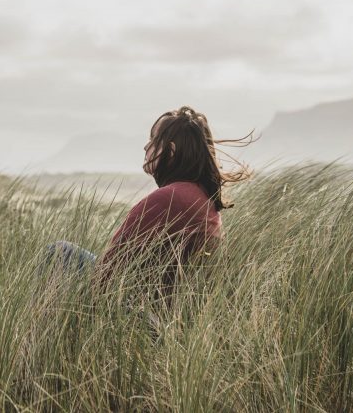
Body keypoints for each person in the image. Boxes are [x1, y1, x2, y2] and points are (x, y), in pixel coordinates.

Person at [44, 105, 254, 305]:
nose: (146, 146)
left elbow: (105, 274)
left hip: (140, 313)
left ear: (170, 152)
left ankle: (39, 337)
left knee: (58, 252)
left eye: (153, 140)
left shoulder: (168, 199)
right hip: (166, 314)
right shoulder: (202, 198)